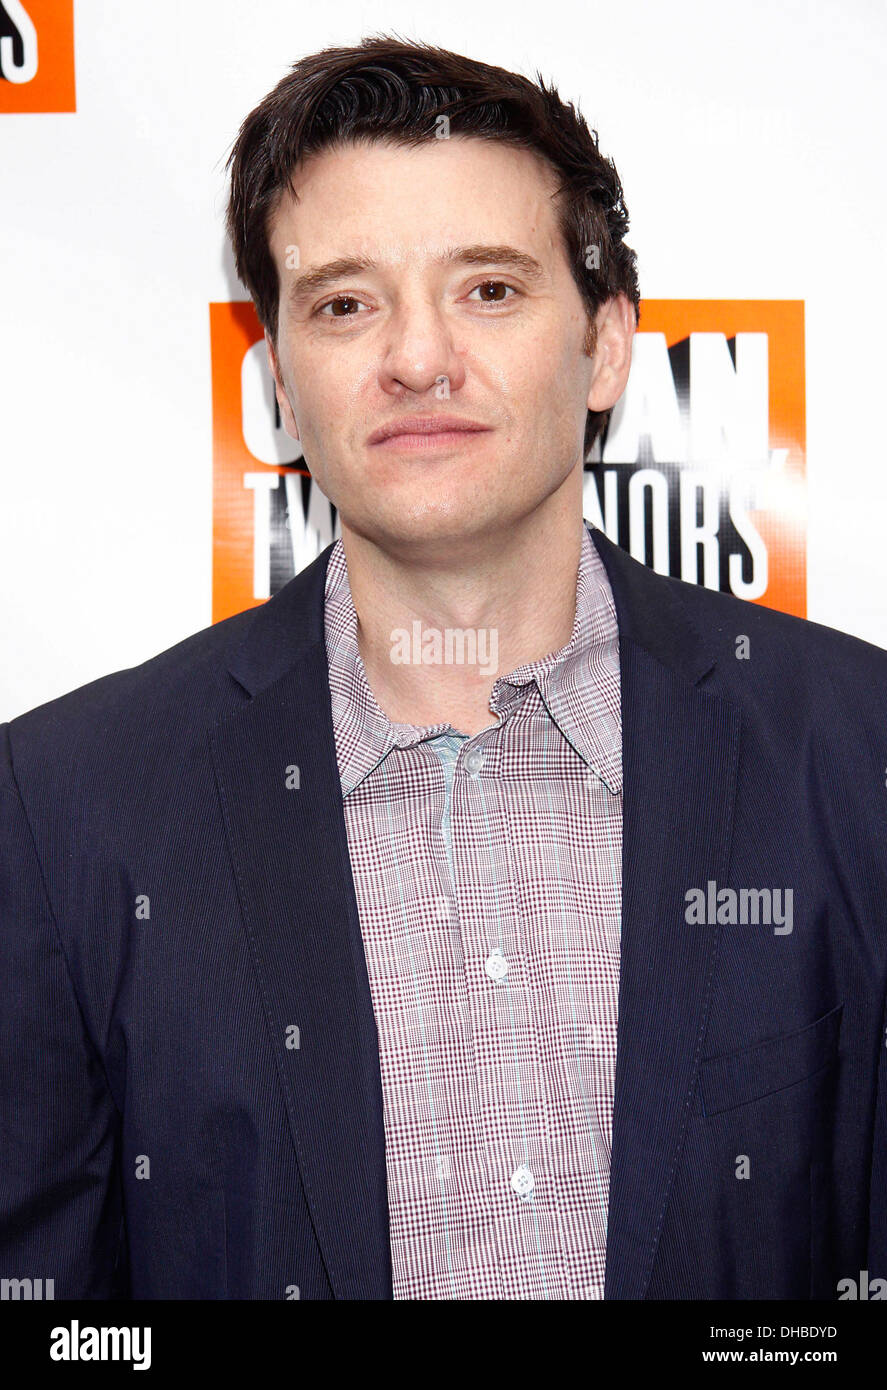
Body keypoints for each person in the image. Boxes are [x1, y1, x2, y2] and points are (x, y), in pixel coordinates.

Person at [1, 34, 885, 1302]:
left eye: (487, 288)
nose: (417, 359)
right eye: (345, 303)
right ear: (282, 392)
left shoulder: (851, 753)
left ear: (607, 347)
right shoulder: (63, 806)